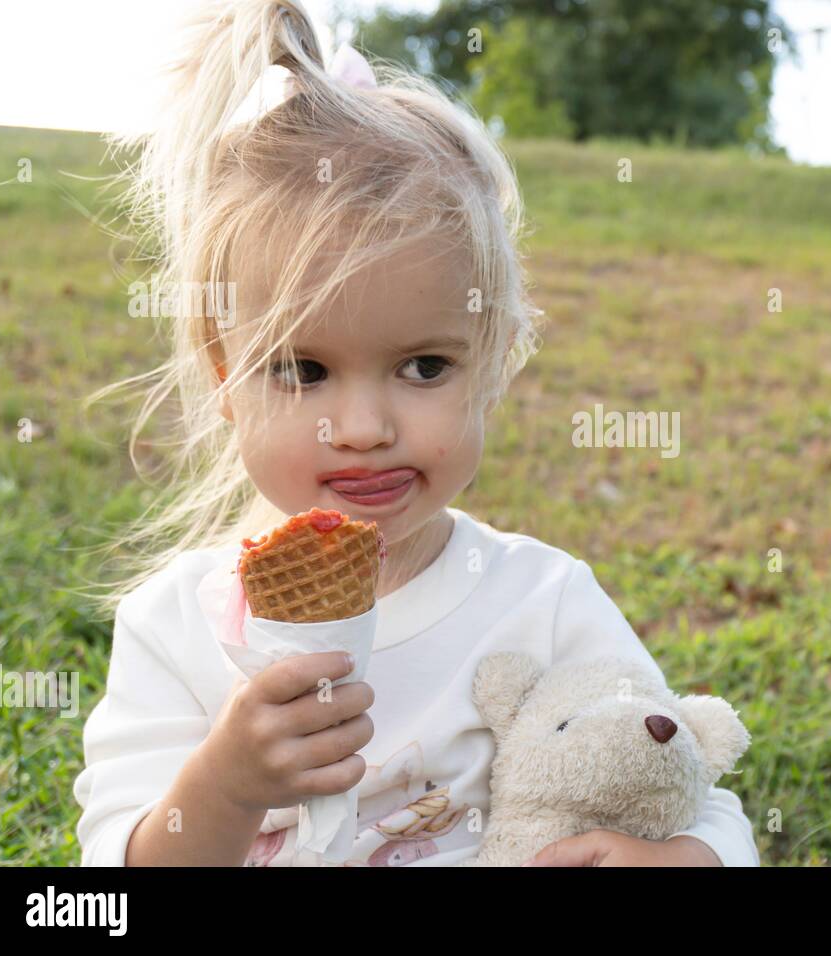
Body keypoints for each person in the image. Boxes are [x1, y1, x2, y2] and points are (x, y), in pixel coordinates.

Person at [71, 0, 758, 867]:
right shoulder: (175, 628)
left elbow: (696, 795)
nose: (364, 429)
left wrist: (683, 858)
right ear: (226, 381)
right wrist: (228, 784)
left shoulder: (542, 603)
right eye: (303, 370)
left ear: (496, 360)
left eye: (425, 368)